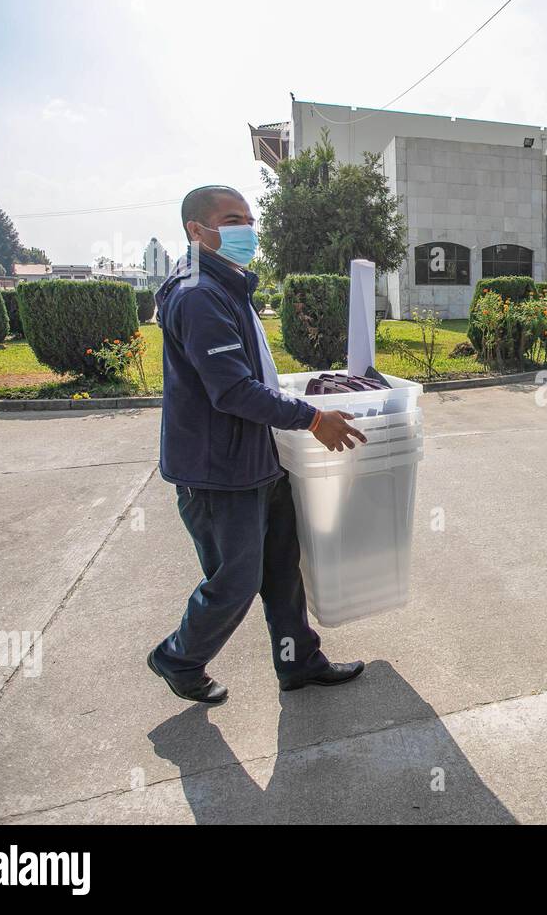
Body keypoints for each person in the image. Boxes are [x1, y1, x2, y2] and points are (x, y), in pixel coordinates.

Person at [147, 185, 369, 705]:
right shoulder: (199, 295)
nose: (246, 229)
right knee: (236, 581)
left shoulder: (228, 286)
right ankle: (178, 657)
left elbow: (252, 375)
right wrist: (312, 417)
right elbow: (232, 391)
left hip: (257, 459)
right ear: (196, 231)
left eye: (248, 218)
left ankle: (298, 663)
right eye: (231, 219)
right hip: (218, 472)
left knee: (281, 571)